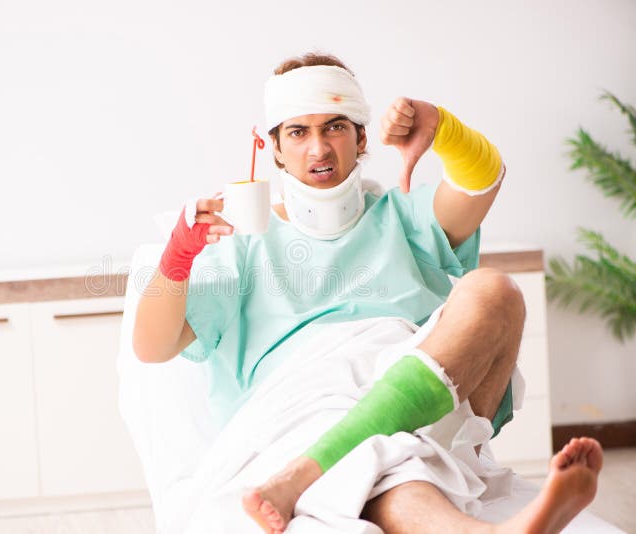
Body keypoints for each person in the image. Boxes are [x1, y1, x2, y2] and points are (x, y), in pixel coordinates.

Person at [132, 53, 603, 532]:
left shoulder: (404, 219)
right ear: (274, 147)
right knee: (391, 461)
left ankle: (309, 473)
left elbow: (483, 179)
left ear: (361, 139)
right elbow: (152, 347)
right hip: (303, 406)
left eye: (335, 127)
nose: (318, 149)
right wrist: (177, 257)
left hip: (425, 397)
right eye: (298, 132)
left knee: (495, 290)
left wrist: (441, 126)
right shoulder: (243, 242)